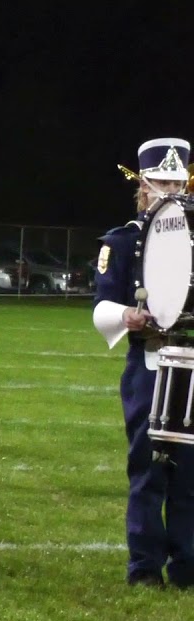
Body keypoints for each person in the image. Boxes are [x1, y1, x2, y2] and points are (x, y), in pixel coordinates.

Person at [92, 136, 194, 588]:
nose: (171, 191)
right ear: (143, 186)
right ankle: (145, 568)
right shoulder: (123, 241)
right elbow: (101, 305)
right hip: (149, 366)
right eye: (162, 183)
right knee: (148, 470)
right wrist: (126, 316)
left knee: (190, 474)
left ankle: (188, 566)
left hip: (192, 365)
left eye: (178, 183)